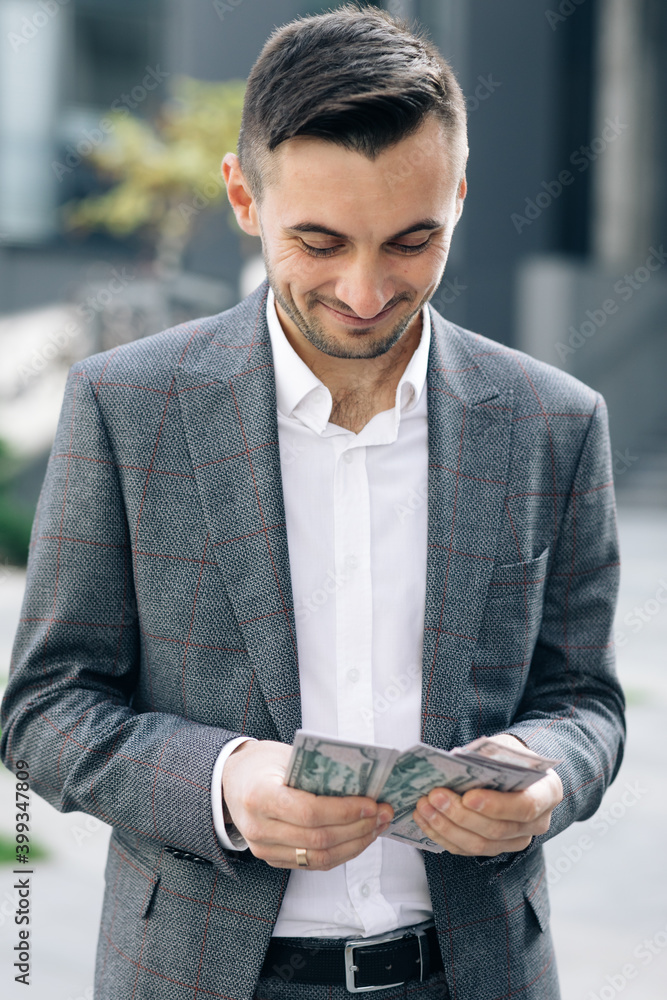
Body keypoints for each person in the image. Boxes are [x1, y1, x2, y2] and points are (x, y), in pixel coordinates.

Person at [1, 6, 625, 999]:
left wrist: (546, 769)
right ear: (243, 199)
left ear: (458, 197)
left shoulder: (555, 421)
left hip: (477, 972)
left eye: (413, 240)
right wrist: (223, 782)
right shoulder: (128, 406)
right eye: (320, 241)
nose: (366, 289)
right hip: (200, 976)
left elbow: (584, 699)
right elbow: (44, 709)